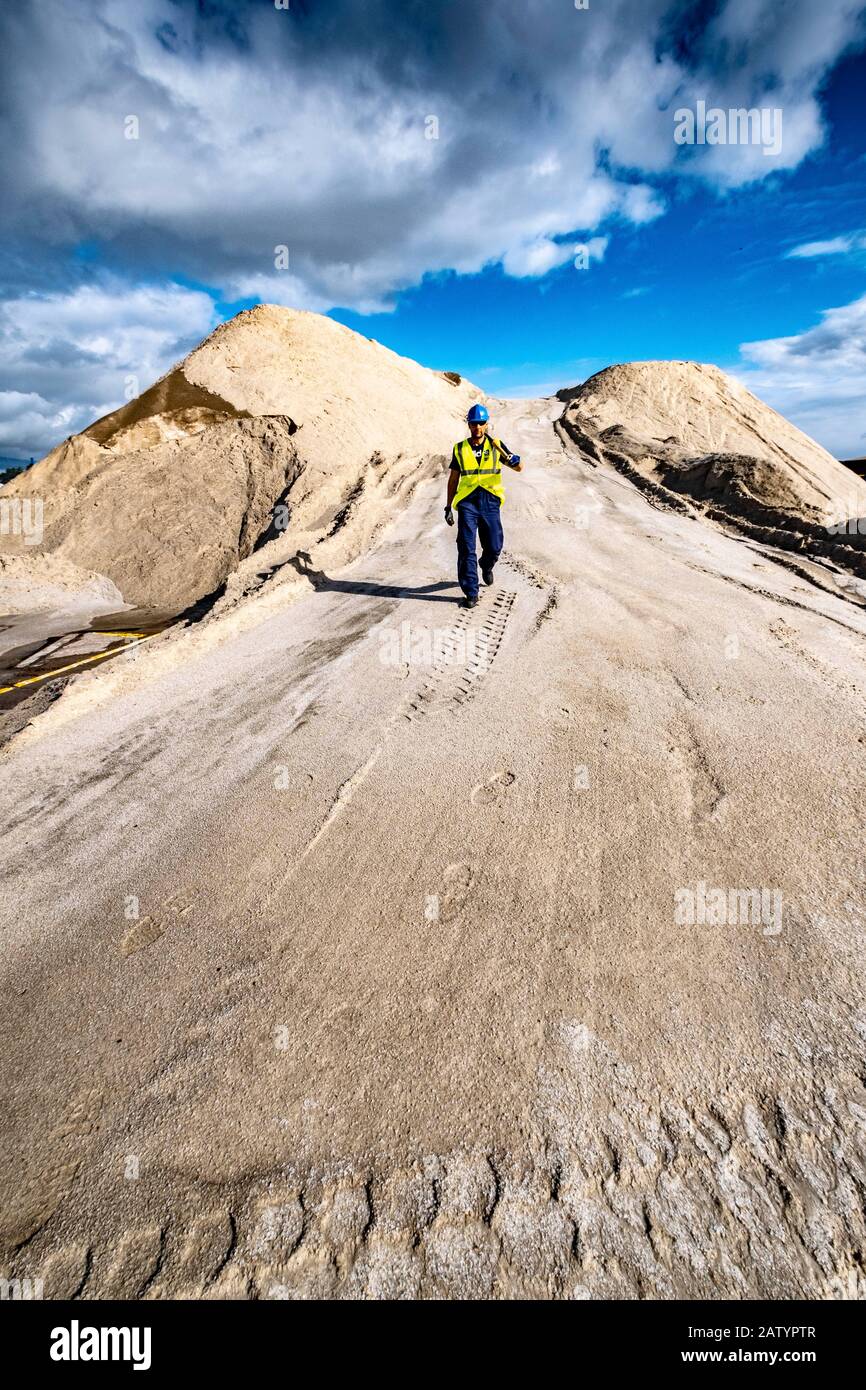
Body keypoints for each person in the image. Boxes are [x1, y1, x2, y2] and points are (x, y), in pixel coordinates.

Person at [445, 404, 521, 607]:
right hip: (468, 502)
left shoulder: (497, 445)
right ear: (468, 425)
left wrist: (514, 459)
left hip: (490, 500)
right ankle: (471, 592)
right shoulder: (460, 449)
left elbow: (519, 468)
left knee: (495, 545)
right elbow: (453, 479)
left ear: (487, 424)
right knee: (466, 547)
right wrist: (448, 507)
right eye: (473, 423)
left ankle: (486, 565)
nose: (477, 427)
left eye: (481, 423)